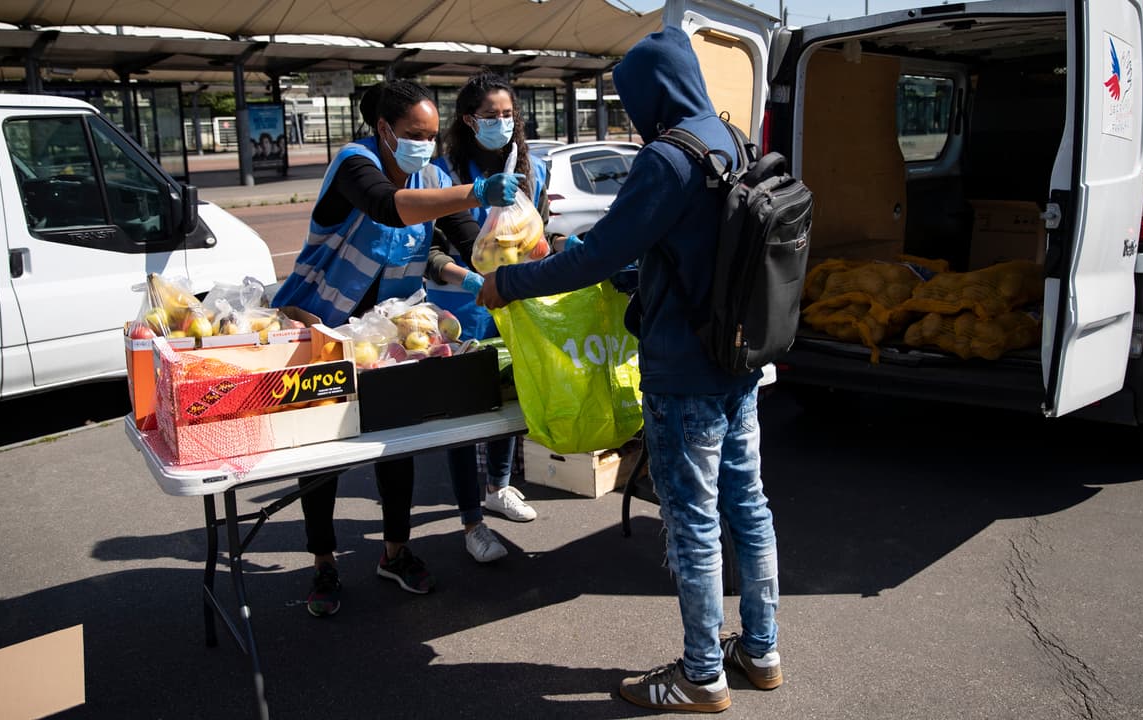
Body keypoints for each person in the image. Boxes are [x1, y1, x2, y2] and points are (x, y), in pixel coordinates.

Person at [477, 27, 781, 712]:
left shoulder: (667, 159)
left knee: (694, 521)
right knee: (748, 507)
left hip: (683, 370)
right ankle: (760, 652)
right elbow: (688, 246)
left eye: (630, 96)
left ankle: (701, 675)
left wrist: (511, 283)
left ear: (650, 92)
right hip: (738, 359)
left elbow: (593, 258)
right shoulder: (730, 141)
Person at [272, 80, 524, 617]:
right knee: (320, 457)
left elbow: (457, 241)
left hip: (388, 339)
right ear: (384, 130)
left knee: (395, 444)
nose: (425, 146)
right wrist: (477, 192)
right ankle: (323, 562)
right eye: (414, 135)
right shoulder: (354, 164)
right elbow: (389, 209)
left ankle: (394, 552)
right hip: (318, 329)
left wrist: (505, 263)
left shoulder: (433, 176)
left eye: (432, 136)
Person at [429, 70, 551, 526]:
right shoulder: (440, 175)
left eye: (507, 114)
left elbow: (532, 235)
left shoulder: (527, 171)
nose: (501, 122)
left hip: (514, 309)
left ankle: (499, 488)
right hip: (459, 313)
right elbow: (430, 250)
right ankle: (470, 522)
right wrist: (470, 280)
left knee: (507, 406)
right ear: (468, 120)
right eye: (489, 115)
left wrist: (554, 252)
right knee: (462, 420)